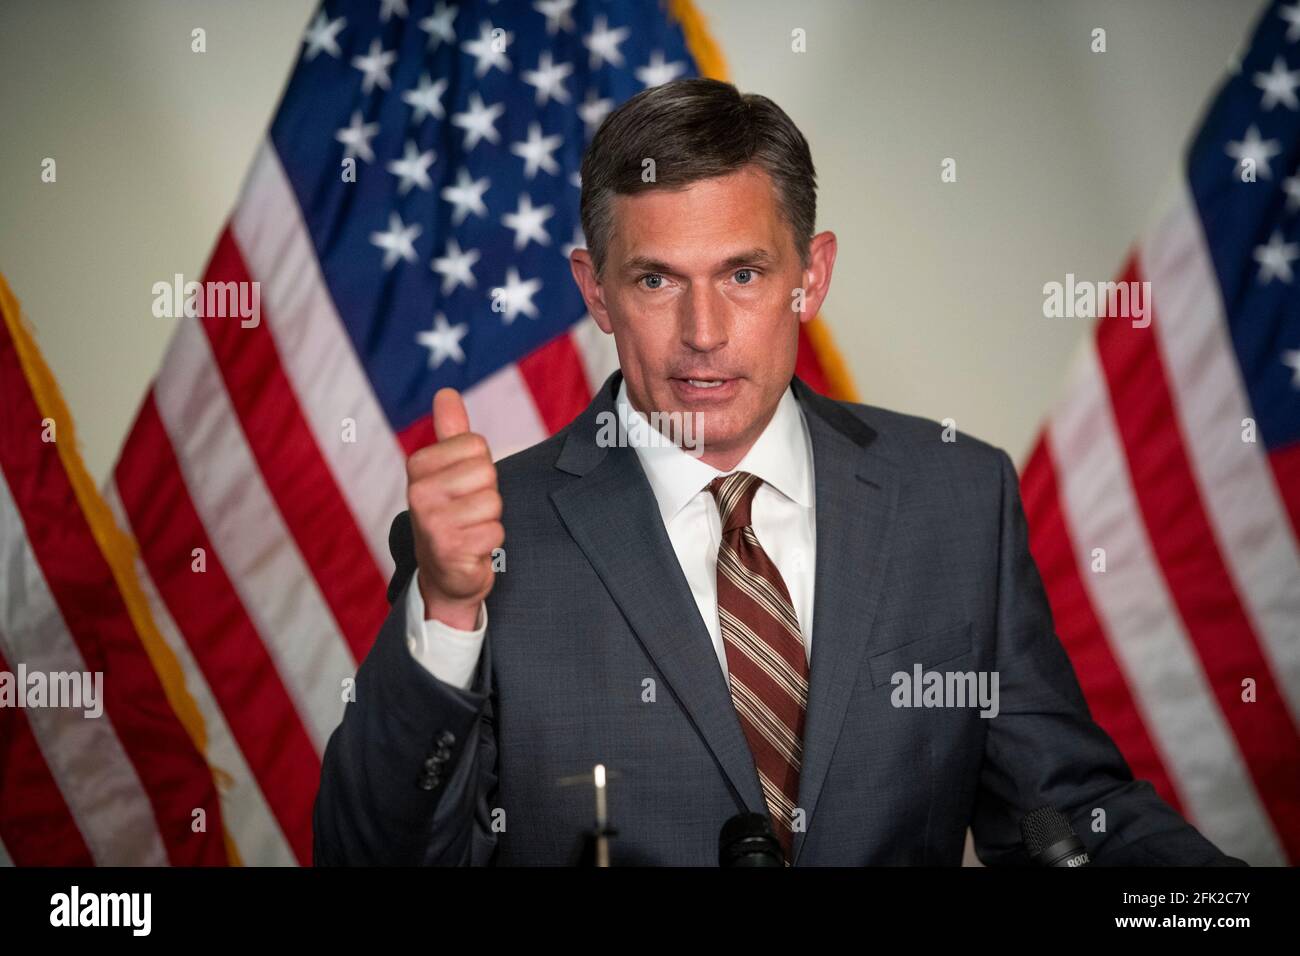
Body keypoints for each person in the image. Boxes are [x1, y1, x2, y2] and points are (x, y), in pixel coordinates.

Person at [313, 77, 1242, 866]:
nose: (705, 332)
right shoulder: (488, 541)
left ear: (814, 275)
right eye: (656, 280)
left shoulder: (956, 500)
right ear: (594, 289)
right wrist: (445, 614)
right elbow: (373, 856)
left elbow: (1061, 816)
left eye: (746, 275)